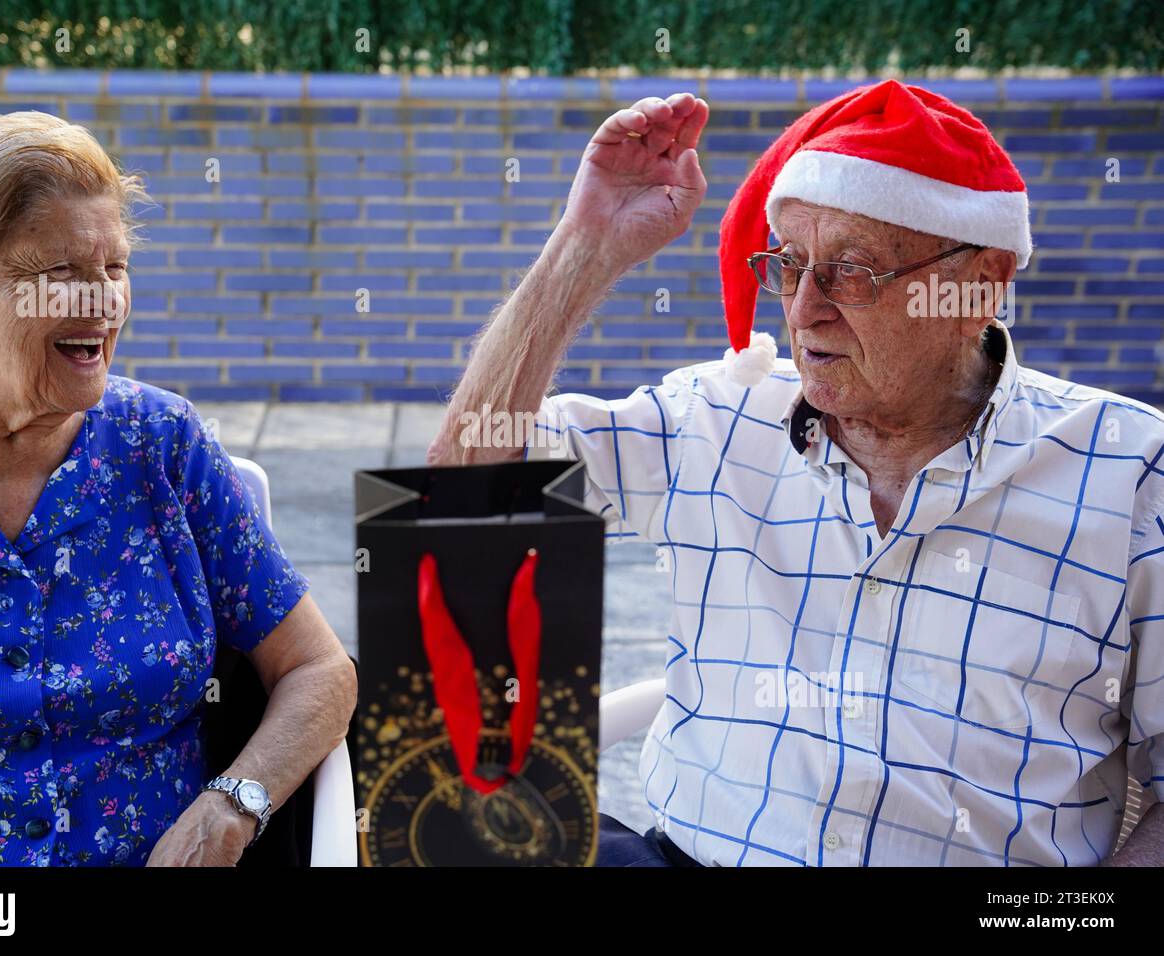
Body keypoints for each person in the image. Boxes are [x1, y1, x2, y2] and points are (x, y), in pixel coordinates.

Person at [428, 80, 1164, 867]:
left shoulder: (1128, 472)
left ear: (978, 283)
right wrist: (587, 243)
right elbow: (464, 495)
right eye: (787, 262)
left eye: (852, 271)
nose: (804, 307)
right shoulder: (716, 417)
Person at [0, 111, 357, 866]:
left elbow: (319, 671)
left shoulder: (161, 445)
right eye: (58, 274)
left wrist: (230, 806)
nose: (102, 303)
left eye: (115, 269)